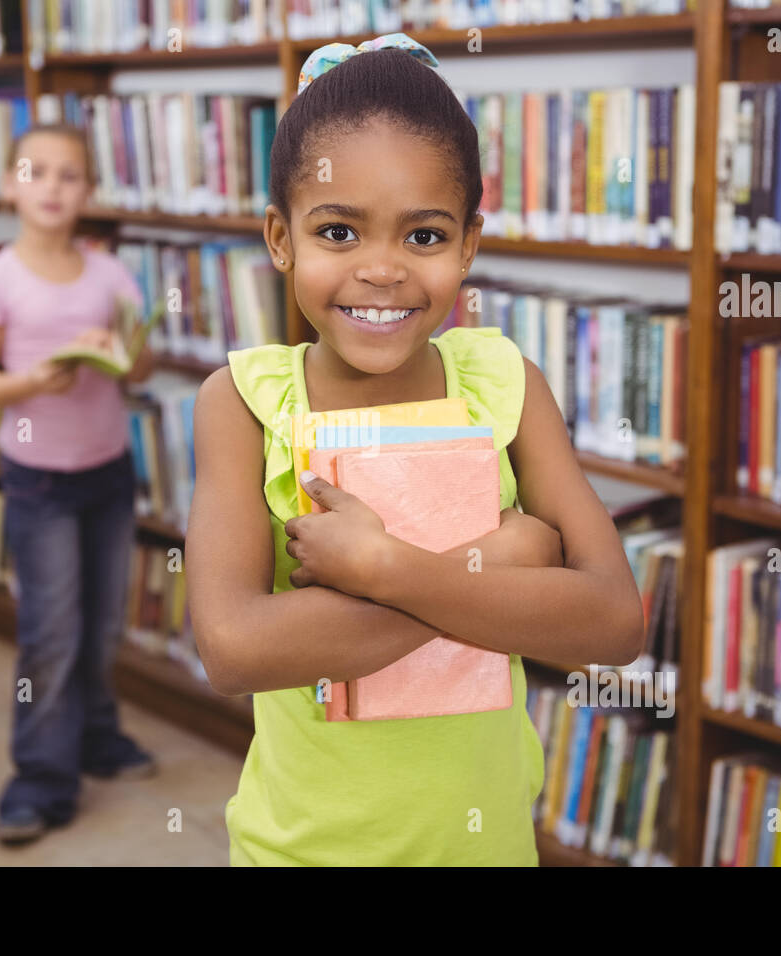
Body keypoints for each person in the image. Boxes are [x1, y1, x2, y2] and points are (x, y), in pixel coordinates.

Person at [184, 34, 646, 865]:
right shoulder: (243, 404)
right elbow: (235, 648)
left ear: (469, 243)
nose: (383, 271)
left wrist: (387, 569)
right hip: (299, 852)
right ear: (280, 238)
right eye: (338, 232)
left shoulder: (507, 385)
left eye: (425, 238)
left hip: (486, 846)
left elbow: (613, 623)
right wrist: (498, 562)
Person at [0, 123, 159, 846]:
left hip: (108, 471)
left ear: (89, 193)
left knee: (102, 624)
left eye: (70, 176)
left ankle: (97, 738)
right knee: (51, 633)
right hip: (38, 480)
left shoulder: (111, 276)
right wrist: (33, 380)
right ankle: (39, 777)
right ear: (9, 185)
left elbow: (141, 368)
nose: (52, 187)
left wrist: (116, 353)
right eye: (35, 172)